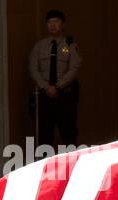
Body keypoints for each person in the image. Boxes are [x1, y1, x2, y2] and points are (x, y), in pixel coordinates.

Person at [27, 9, 82, 148]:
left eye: (56, 22)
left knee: (68, 133)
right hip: (45, 96)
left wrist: (58, 87)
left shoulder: (70, 45)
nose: (52, 25)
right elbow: (33, 67)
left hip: (65, 95)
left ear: (63, 25)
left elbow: (74, 67)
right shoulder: (39, 46)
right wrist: (46, 87)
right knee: (44, 135)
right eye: (49, 22)